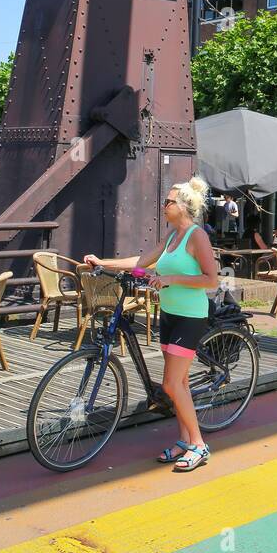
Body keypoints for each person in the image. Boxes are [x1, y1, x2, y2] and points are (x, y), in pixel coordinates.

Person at [84, 176, 219, 472]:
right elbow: (140, 261)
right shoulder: (171, 237)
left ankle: (198, 444)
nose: (164, 205)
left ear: (184, 206)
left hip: (190, 316)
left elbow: (212, 279)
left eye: (169, 201)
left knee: (170, 383)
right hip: (169, 314)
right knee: (178, 384)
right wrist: (103, 263)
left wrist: (171, 279)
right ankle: (184, 440)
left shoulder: (197, 236)